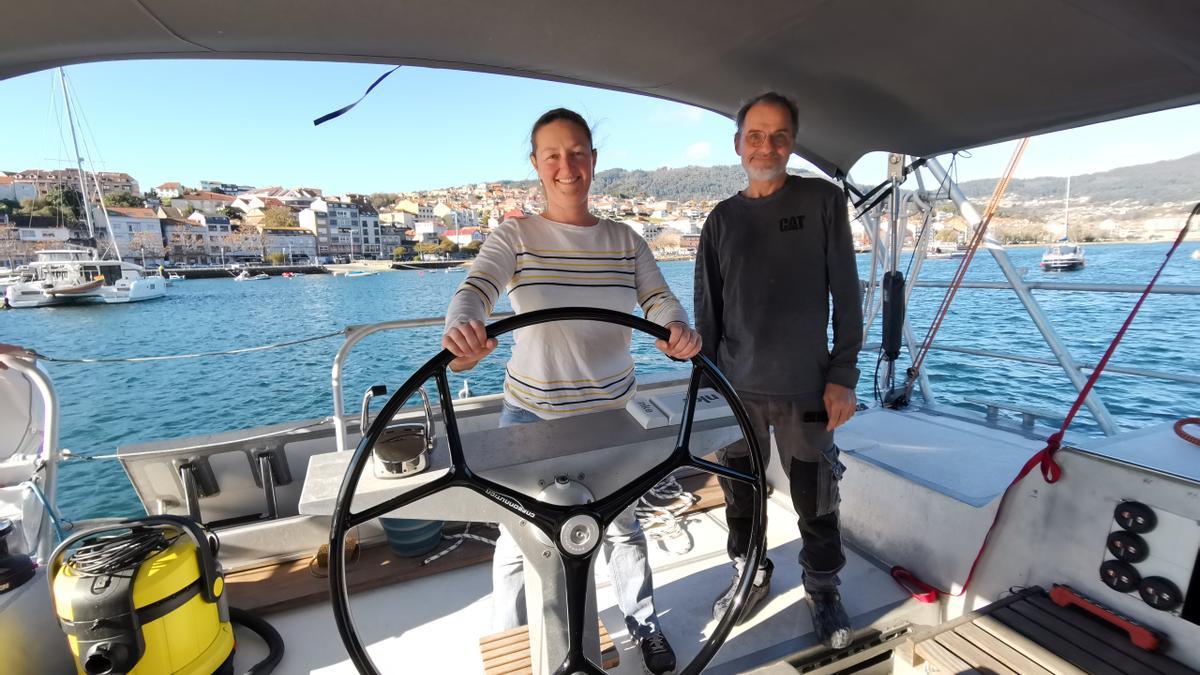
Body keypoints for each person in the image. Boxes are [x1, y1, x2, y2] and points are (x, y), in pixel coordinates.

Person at [442, 108, 700, 674]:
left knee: (624, 529)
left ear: (593, 162)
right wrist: (464, 325)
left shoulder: (626, 241)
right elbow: (476, 288)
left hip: (614, 415)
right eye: (553, 155)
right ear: (535, 164)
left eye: (577, 152)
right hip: (532, 416)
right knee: (517, 543)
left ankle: (644, 626)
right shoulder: (515, 235)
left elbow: (660, 300)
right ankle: (508, 643)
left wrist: (677, 328)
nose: (567, 166)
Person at [693, 92, 863, 649]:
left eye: (780, 135)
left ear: (792, 142)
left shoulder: (822, 201)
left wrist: (844, 374)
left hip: (808, 388)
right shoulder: (720, 220)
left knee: (816, 496)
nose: (767, 145)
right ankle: (749, 576)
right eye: (756, 135)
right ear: (739, 143)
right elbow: (707, 315)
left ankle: (823, 589)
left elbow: (847, 294)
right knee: (742, 496)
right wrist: (710, 389)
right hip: (739, 389)